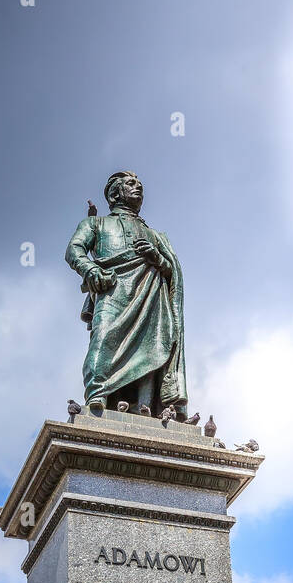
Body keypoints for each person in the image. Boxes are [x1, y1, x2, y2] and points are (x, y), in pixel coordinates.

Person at [65, 171, 187, 417]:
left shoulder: (156, 236)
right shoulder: (95, 224)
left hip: (151, 293)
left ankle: (145, 406)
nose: (139, 187)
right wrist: (90, 269)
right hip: (112, 289)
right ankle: (97, 395)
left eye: (140, 184)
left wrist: (157, 257)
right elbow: (73, 250)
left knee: (153, 346)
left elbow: (171, 271)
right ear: (114, 192)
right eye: (131, 184)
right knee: (103, 337)